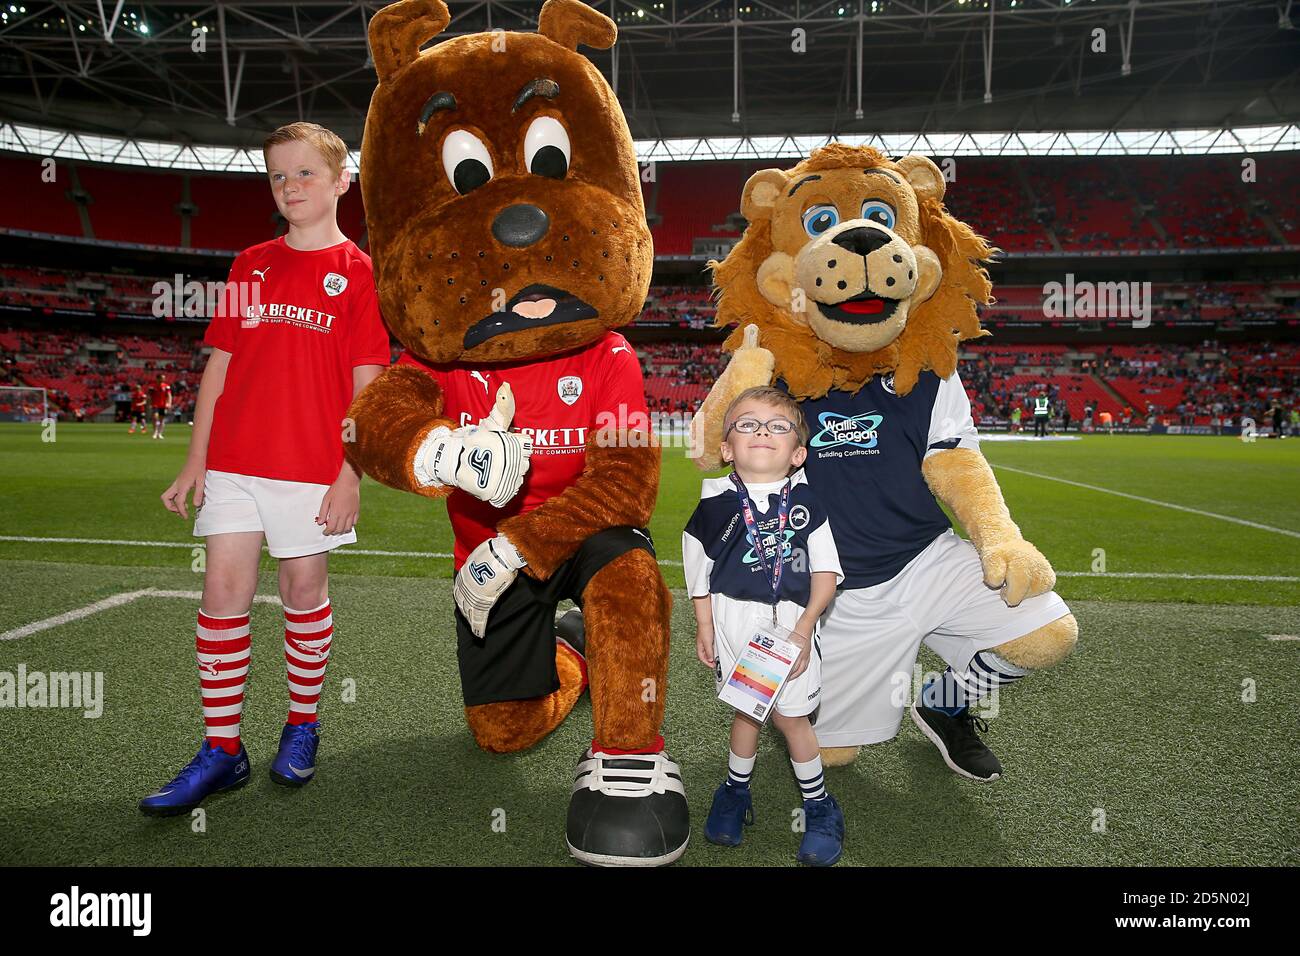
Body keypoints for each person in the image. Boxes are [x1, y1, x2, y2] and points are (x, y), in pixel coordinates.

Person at [140, 122, 390, 816]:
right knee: (221, 593)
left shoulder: (360, 273)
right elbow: (221, 364)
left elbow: (368, 385)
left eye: (306, 173)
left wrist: (350, 472)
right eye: (278, 176)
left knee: (303, 590)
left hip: (311, 466)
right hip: (234, 463)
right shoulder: (251, 263)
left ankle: (302, 724)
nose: (290, 187)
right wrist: (196, 456)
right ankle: (222, 749)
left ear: (343, 182)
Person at [683, 386, 846, 865]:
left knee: (791, 718)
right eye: (747, 424)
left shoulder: (810, 504)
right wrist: (705, 626)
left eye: (777, 426)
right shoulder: (712, 506)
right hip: (734, 622)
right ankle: (735, 791)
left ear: (798, 453)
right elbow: (699, 574)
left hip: (792, 628)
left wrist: (803, 631)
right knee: (748, 710)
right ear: (727, 448)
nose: (762, 432)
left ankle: (818, 806)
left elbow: (825, 574)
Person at [149, 374, 172, 439]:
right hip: (155, 404)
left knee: (161, 419)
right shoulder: (152, 386)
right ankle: (155, 432)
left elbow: (169, 395)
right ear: (158, 379)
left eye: (164, 378)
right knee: (155, 417)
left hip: (163, 405)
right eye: (162, 378)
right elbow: (149, 396)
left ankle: (160, 433)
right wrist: (150, 404)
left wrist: (169, 403)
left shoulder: (166, 386)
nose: (163, 379)